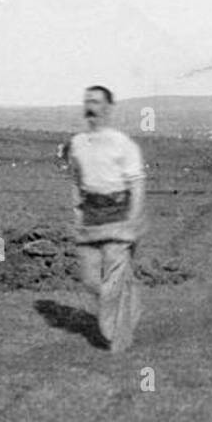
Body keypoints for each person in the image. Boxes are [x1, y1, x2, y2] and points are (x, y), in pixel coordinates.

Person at [60, 85, 147, 351]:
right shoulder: (77, 143)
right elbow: (76, 179)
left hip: (118, 214)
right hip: (90, 217)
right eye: (87, 101)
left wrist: (133, 218)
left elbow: (137, 182)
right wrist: (76, 210)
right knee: (90, 280)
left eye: (96, 102)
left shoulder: (122, 143)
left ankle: (117, 341)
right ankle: (128, 303)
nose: (91, 107)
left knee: (113, 284)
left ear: (108, 108)